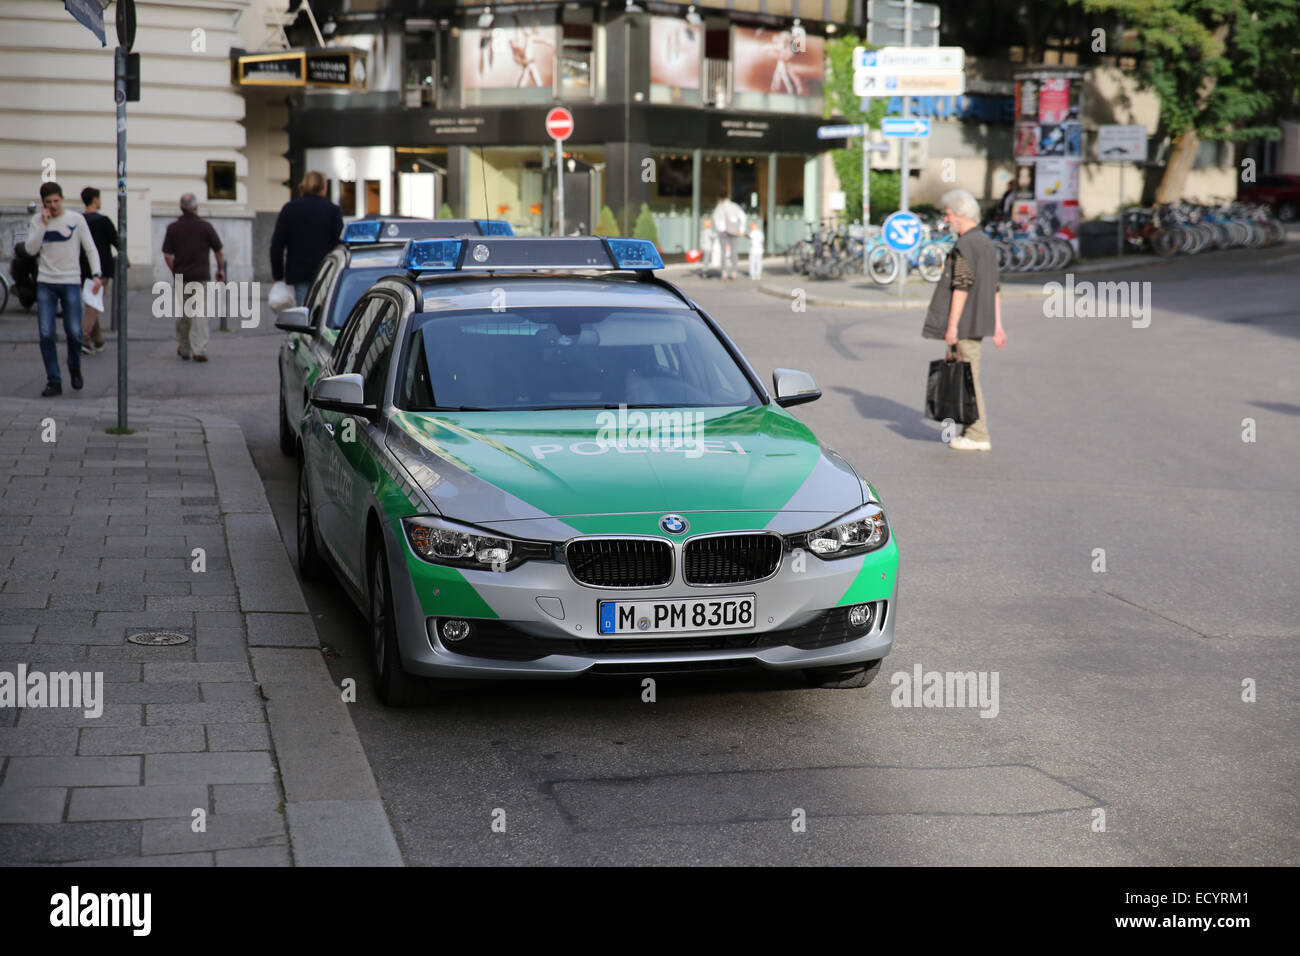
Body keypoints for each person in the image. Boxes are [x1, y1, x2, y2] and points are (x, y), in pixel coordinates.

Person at [921, 189, 1007, 451]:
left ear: (960, 214)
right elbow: (995, 288)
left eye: (948, 214)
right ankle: (971, 429)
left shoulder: (965, 244)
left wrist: (952, 327)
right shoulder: (985, 242)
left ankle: (978, 434)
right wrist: (998, 326)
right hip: (979, 322)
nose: (947, 219)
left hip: (966, 324)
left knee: (969, 378)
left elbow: (962, 286)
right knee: (970, 375)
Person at [24, 182, 101, 397]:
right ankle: (54, 380)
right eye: (48, 202)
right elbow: (31, 250)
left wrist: (96, 273)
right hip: (46, 282)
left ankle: (74, 368)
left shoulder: (76, 220)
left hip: (70, 281)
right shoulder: (37, 221)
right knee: (46, 333)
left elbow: (90, 248)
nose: (53, 205)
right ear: (43, 203)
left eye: (56, 201)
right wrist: (43, 225)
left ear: (62, 199)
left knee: (75, 332)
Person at [162, 193, 224, 362]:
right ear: (196, 207)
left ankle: (184, 348)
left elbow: (167, 255)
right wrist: (220, 269)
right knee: (200, 313)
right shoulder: (205, 227)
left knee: (184, 314)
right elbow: (218, 251)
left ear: (181, 208)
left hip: (182, 276)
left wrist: (174, 270)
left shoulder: (173, 228)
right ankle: (199, 349)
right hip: (201, 275)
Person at [269, 171, 343, 305]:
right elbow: (339, 244)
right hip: (325, 271)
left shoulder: (290, 209)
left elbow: (276, 246)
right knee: (323, 314)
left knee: (302, 316)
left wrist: (278, 276)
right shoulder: (332, 211)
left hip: (298, 273)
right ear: (323, 187)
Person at [79, 186, 119, 354]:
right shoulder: (103, 221)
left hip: (82, 267)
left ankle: (99, 340)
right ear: (95, 200)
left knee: (91, 302)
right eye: (100, 198)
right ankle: (83, 338)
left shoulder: (79, 220)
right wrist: (127, 260)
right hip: (101, 269)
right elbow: (117, 242)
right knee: (93, 306)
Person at [711, 192, 745, 282]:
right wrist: (741, 229)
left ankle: (724, 273)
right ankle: (734, 273)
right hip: (734, 231)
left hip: (723, 232)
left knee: (723, 252)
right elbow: (742, 217)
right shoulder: (734, 206)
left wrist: (721, 229)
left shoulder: (719, 207)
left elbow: (716, 219)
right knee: (734, 252)